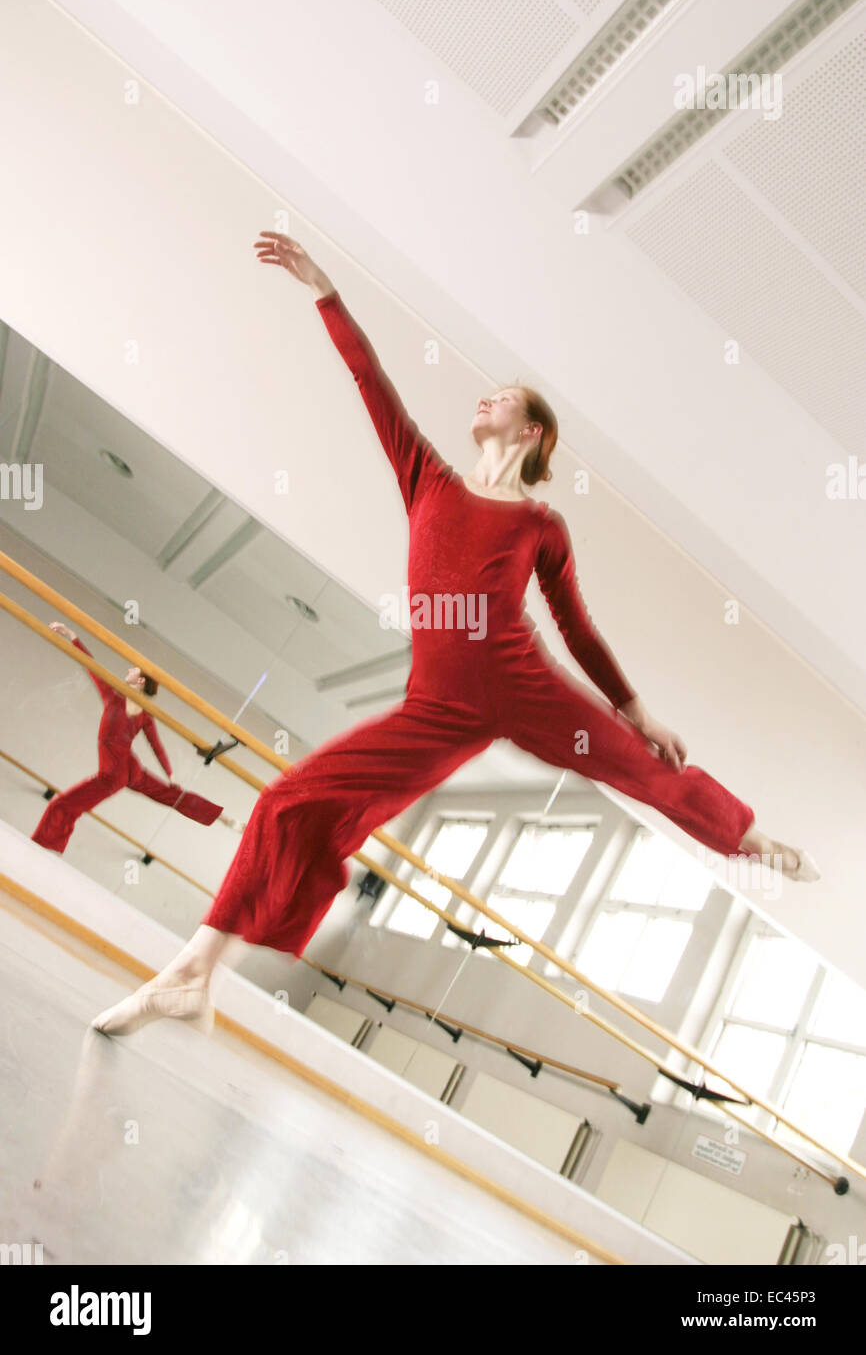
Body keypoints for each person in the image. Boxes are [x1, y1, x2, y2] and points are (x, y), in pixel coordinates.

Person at [90, 233, 819, 1036]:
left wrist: (635, 708)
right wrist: (325, 291)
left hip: (523, 683)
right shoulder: (426, 478)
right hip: (436, 705)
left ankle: (753, 840)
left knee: (641, 767)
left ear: (534, 433)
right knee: (289, 802)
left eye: (502, 398)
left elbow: (577, 626)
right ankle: (193, 976)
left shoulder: (542, 521)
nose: (484, 400)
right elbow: (373, 382)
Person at [31, 624, 223, 853]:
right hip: (128, 766)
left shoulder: (115, 699)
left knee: (63, 805)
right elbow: (156, 746)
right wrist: (170, 774)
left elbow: (91, 666)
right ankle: (221, 817)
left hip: (112, 774)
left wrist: (72, 636)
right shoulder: (142, 713)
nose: (129, 669)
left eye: (134, 670)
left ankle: (44, 849)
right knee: (168, 794)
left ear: (140, 681)